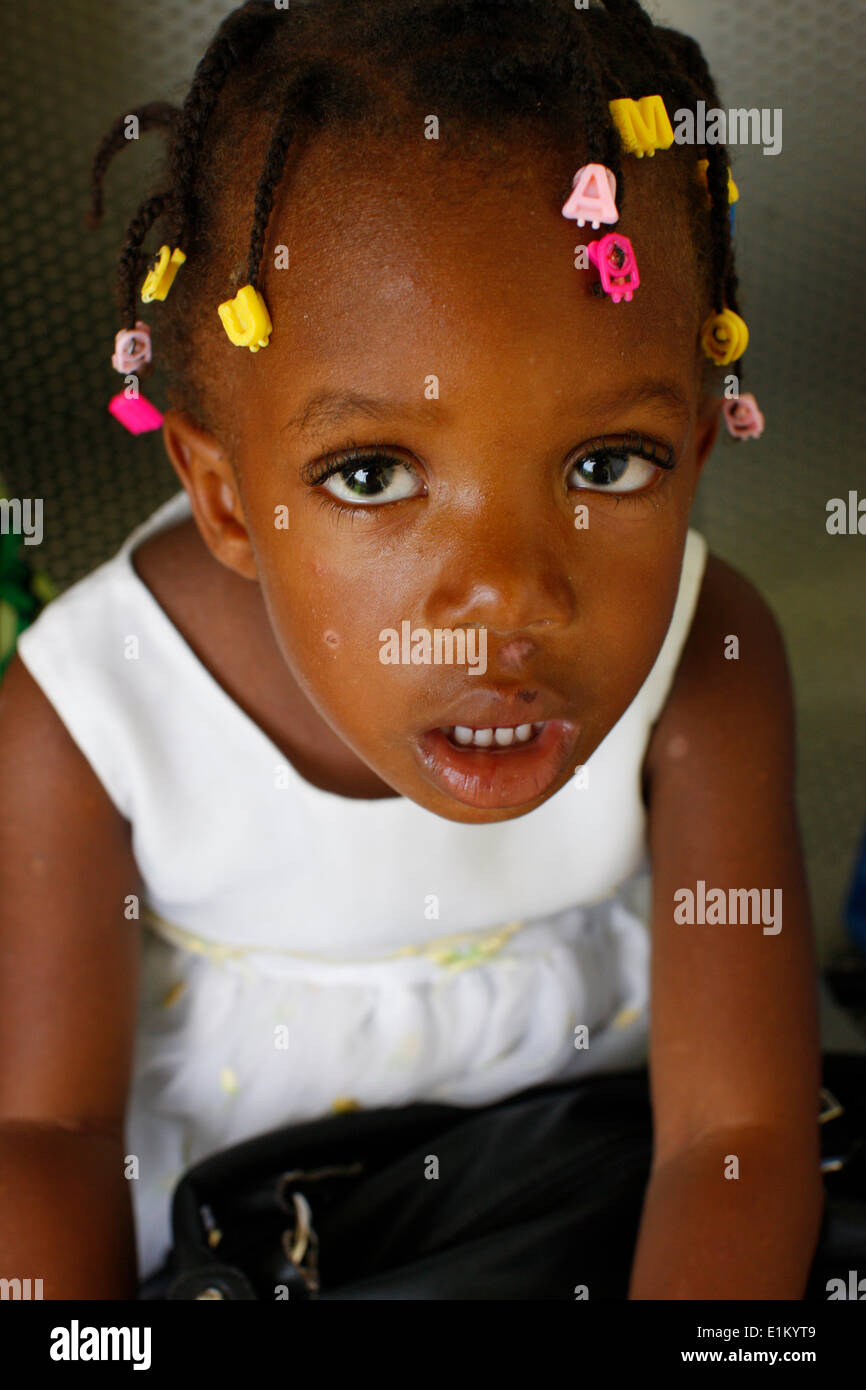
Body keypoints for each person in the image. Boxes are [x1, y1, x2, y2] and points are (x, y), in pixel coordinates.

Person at [0, 0, 823, 1298]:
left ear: (702, 448)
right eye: (373, 473)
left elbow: (735, 1136)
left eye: (608, 464)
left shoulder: (706, 660)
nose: (506, 595)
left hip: (595, 1207)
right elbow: (45, 1140)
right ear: (226, 499)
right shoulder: (94, 711)